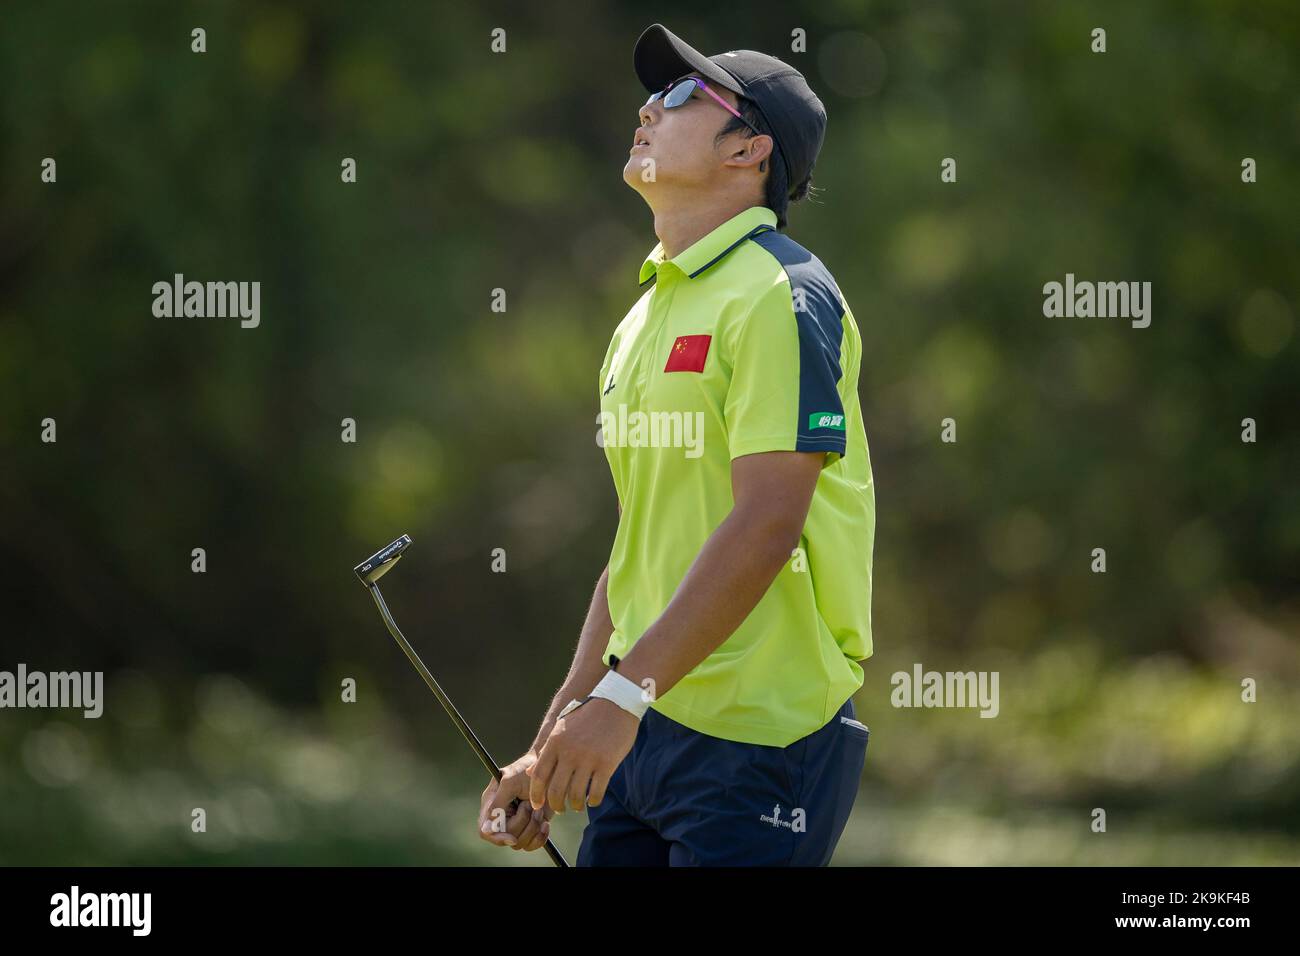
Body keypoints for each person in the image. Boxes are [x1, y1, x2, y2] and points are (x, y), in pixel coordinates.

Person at [478, 23, 876, 866]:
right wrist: (561, 731)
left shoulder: (783, 292)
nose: (649, 108)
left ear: (750, 151)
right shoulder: (642, 313)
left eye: (684, 95)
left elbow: (768, 522)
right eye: (656, 93)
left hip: (763, 739)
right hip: (643, 727)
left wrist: (620, 699)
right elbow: (637, 549)